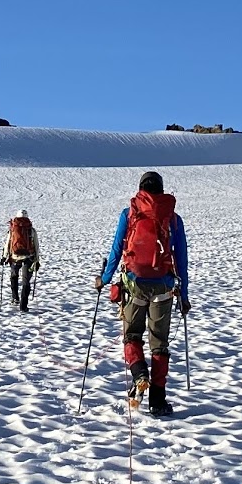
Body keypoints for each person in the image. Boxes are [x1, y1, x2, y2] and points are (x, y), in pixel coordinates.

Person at [97, 171, 189, 415]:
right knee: (159, 343)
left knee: (132, 334)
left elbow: (117, 249)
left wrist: (105, 279)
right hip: (164, 287)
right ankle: (157, 402)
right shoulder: (174, 219)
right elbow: (181, 259)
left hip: (134, 283)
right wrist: (185, 295)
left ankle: (139, 375)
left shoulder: (129, 214)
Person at [1, 209, 40, 311]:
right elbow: (36, 246)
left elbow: (8, 244)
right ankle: (23, 306)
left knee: (14, 276)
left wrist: (4, 257)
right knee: (26, 282)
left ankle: (15, 298)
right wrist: (37, 260)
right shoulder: (31, 230)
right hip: (28, 258)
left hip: (14, 257)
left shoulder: (13, 229)